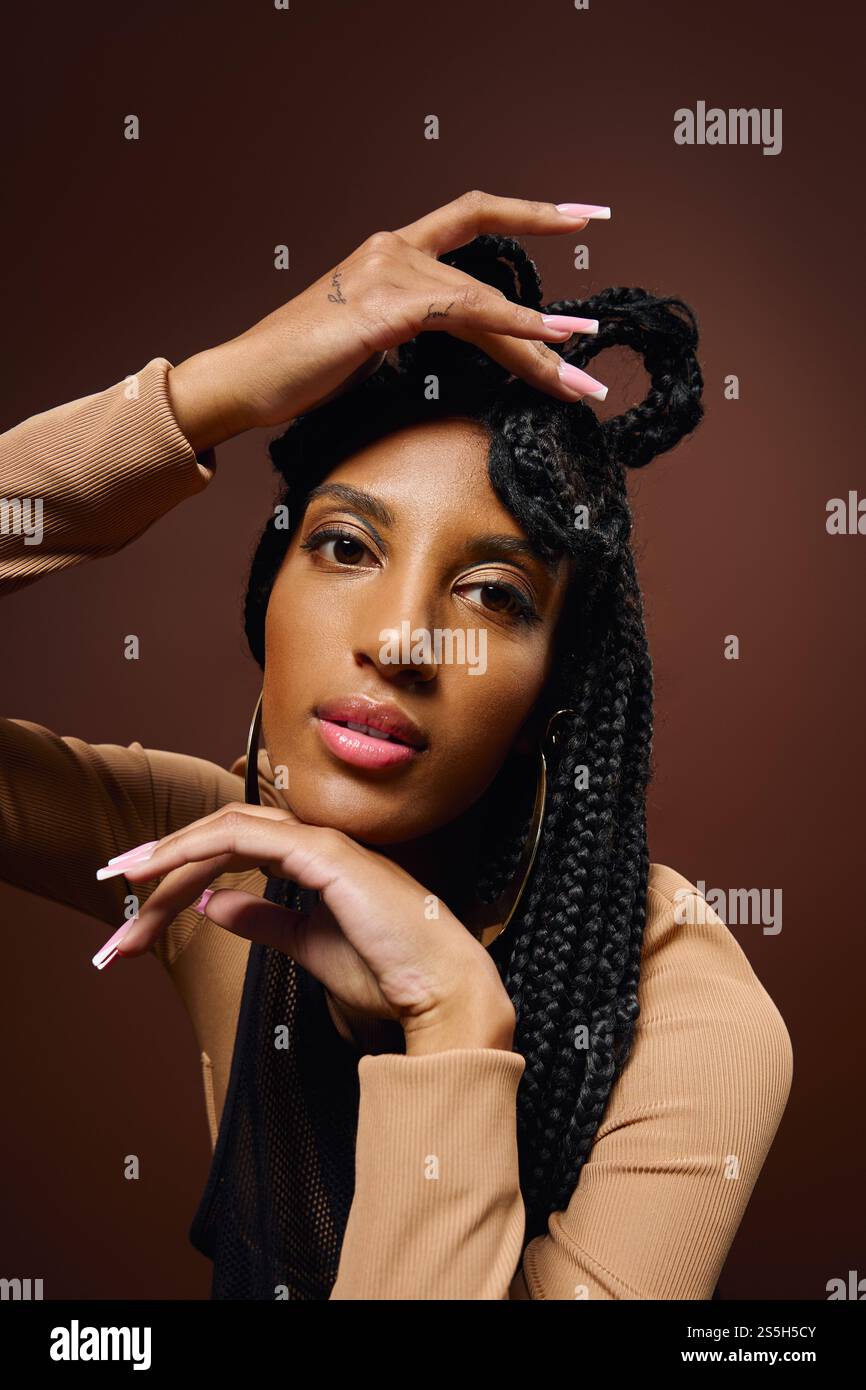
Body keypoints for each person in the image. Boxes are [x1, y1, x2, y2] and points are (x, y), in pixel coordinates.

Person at [0, 191, 793, 1300]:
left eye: (490, 592)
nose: (397, 639)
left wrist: (454, 1019)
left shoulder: (690, 1017)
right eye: (343, 545)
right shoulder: (206, 856)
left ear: (549, 692)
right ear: (263, 604)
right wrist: (209, 393)